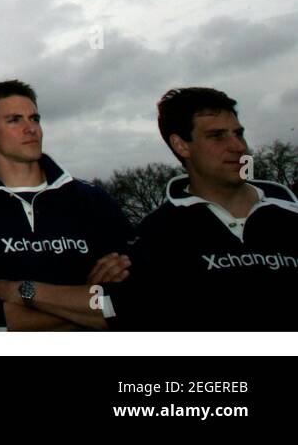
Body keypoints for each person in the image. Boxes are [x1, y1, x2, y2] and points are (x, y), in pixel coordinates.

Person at [0, 80, 132, 331]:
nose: (30, 128)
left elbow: (135, 303)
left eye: (35, 118)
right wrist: (87, 304)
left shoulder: (93, 200)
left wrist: (22, 292)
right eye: (14, 120)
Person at [113, 87, 298, 331]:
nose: (238, 146)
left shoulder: (291, 212)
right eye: (217, 136)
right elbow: (122, 312)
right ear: (181, 145)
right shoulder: (155, 236)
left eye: (238, 133)